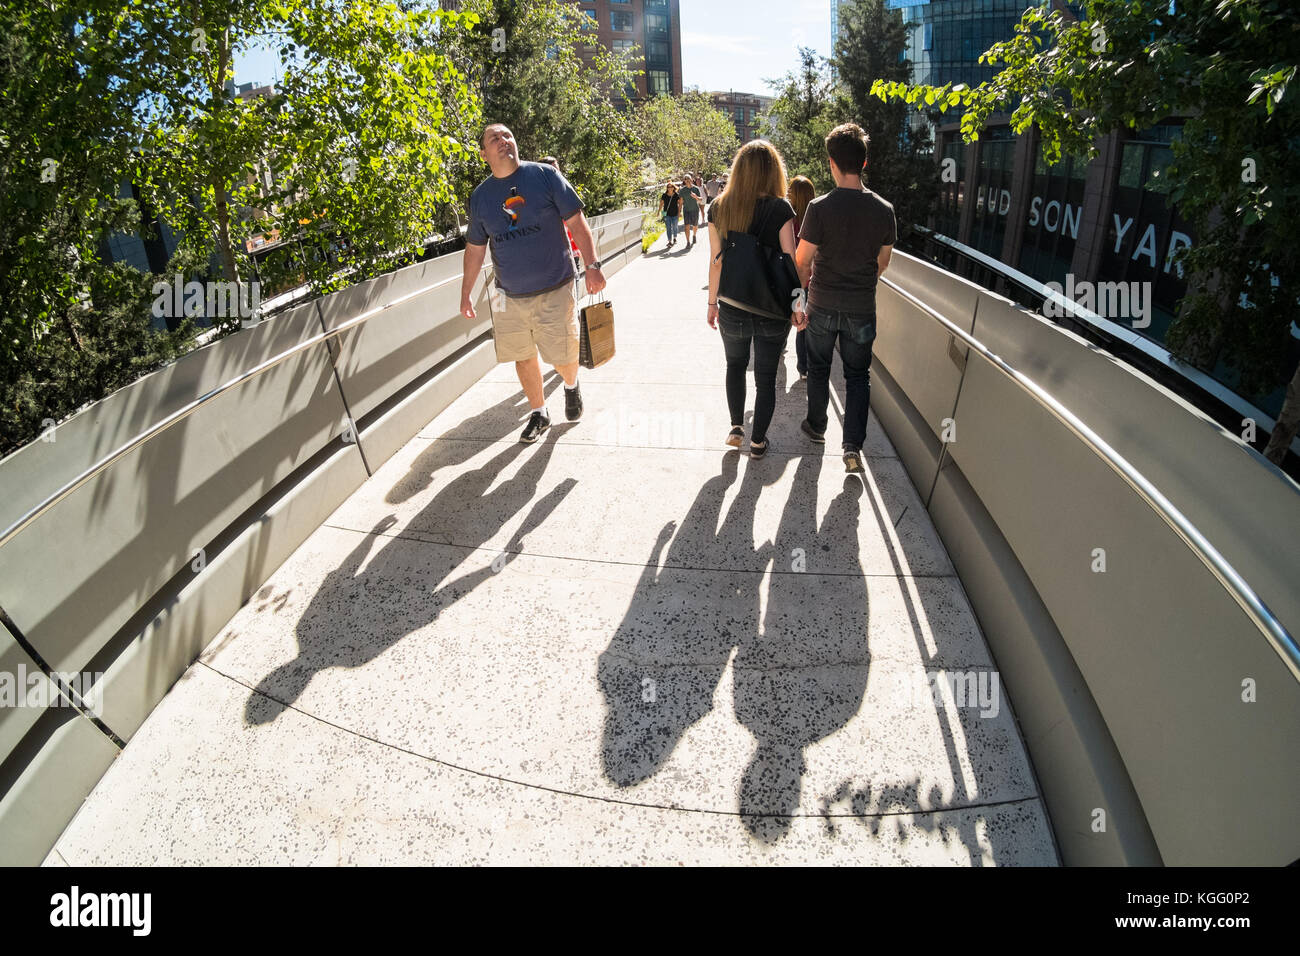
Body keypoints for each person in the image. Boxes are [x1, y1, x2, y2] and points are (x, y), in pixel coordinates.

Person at [459, 124, 607, 443]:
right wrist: (466, 293)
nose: (503, 141)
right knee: (522, 355)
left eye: (507, 135)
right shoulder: (481, 197)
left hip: (556, 285)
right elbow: (475, 248)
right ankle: (539, 412)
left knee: (563, 356)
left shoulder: (544, 176)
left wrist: (593, 265)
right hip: (508, 294)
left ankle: (570, 384)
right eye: (494, 138)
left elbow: (577, 223)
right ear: (484, 153)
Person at [794, 123, 896, 474]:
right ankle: (852, 446)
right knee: (858, 376)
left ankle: (817, 426)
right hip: (862, 310)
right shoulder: (884, 210)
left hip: (821, 304)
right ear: (864, 163)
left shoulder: (819, 209)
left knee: (819, 367)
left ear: (831, 163)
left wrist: (799, 301)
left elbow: (802, 261)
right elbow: (882, 263)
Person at [706, 141, 800, 459]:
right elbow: (791, 260)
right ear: (773, 172)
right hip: (772, 308)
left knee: (734, 364)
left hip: (732, 304)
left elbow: (716, 260)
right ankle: (758, 442)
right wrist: (798, 304)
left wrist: (711, 303)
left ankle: (736, 427)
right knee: (766, 377)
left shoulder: (719, 207)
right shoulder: (780, 208)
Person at [786, 175, 816, 381]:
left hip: (789, 277)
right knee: (803, 323)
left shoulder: (789, 218)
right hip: (810, 278)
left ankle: (778, 347)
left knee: (787, 317)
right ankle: (804, 367)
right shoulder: (817, 218)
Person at [540, 155, 582, 272]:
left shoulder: (564, 190)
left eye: (558, 170)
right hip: (553, 256)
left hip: (572, 252)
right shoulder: (540, 196)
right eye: (553, 170)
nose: (558, 174)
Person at [680, 175, 704, 249]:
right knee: (686, 226)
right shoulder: (682, 190)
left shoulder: (695, 189)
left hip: (695, 210)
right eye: (686, 179)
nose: (687, 180)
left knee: (695, 226)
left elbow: (701, 200)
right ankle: (688, 242)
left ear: (691, 180)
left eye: (688, 179)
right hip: (686, 210)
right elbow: (680, 202)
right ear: (684, 181)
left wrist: (695, 197)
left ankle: (694, 235)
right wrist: (679, 212)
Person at [659, 182, 681, 248]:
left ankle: (675, 237)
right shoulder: (664, 195)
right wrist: (658, 212)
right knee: (668, 228)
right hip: (666, 214)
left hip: (675, 214)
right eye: (668, 187)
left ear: (673, 188)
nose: (670, 188)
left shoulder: (676, 195)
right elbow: (661, 204)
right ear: (667, 188)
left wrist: (679, 212)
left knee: (675, 226)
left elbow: (680, 203)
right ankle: (669, 241)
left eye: (671, 187)